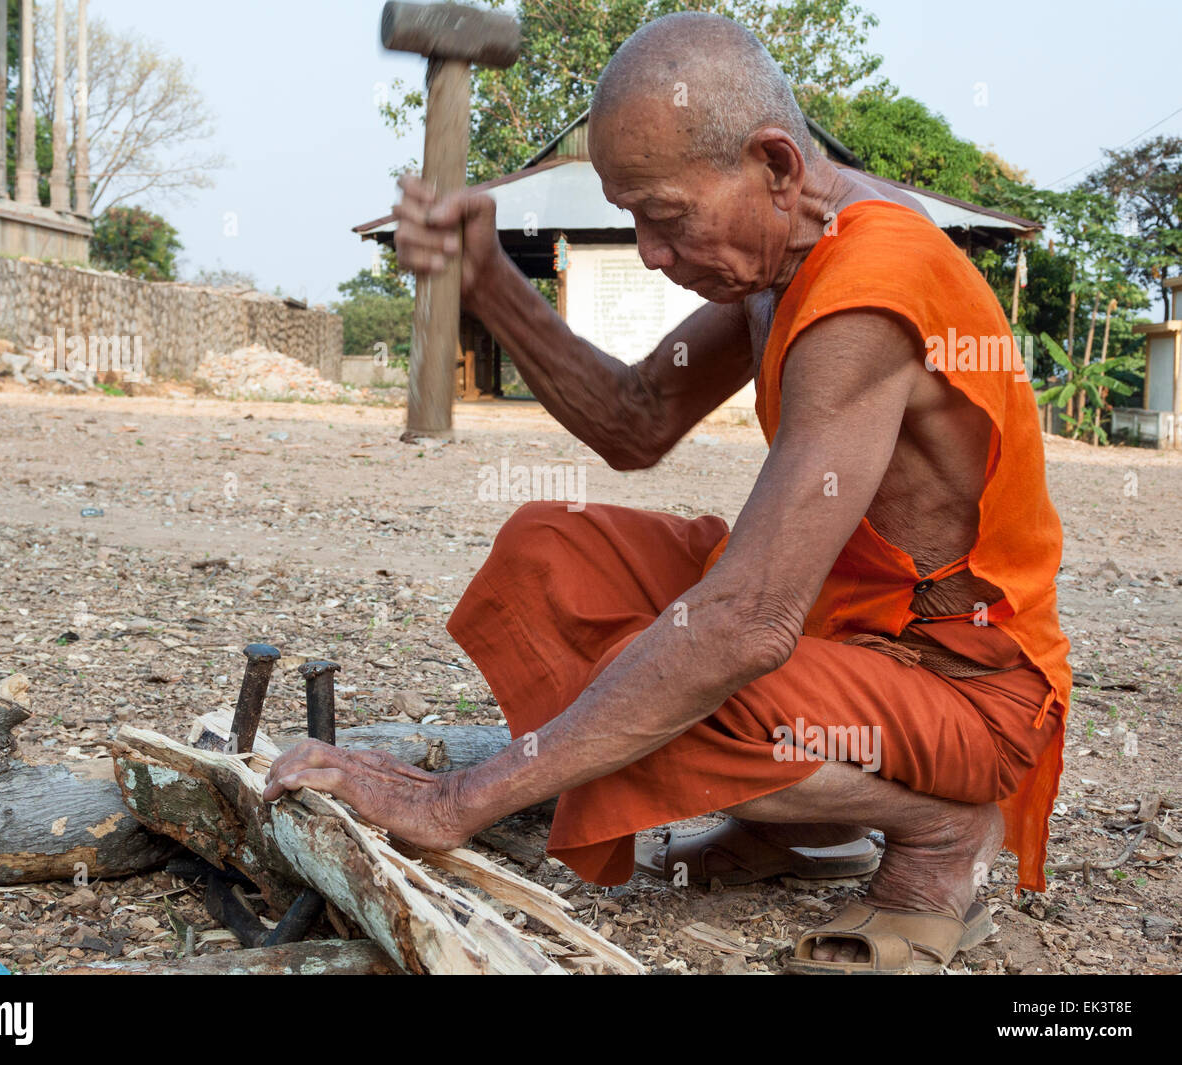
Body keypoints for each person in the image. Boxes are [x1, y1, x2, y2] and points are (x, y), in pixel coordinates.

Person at [265, 12, 1070, 974]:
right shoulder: (777, 265)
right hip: (839, 637)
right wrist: (488, 280)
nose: (648, 251)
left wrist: (454, 801)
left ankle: (939, 828)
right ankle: (799, 825)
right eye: (631, 216)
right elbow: (637, 416)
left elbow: (745, 624)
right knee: (548, 558)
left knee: (694, 675)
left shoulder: (872, 288)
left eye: (664, 215)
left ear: (776, 164)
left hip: (964, 689)